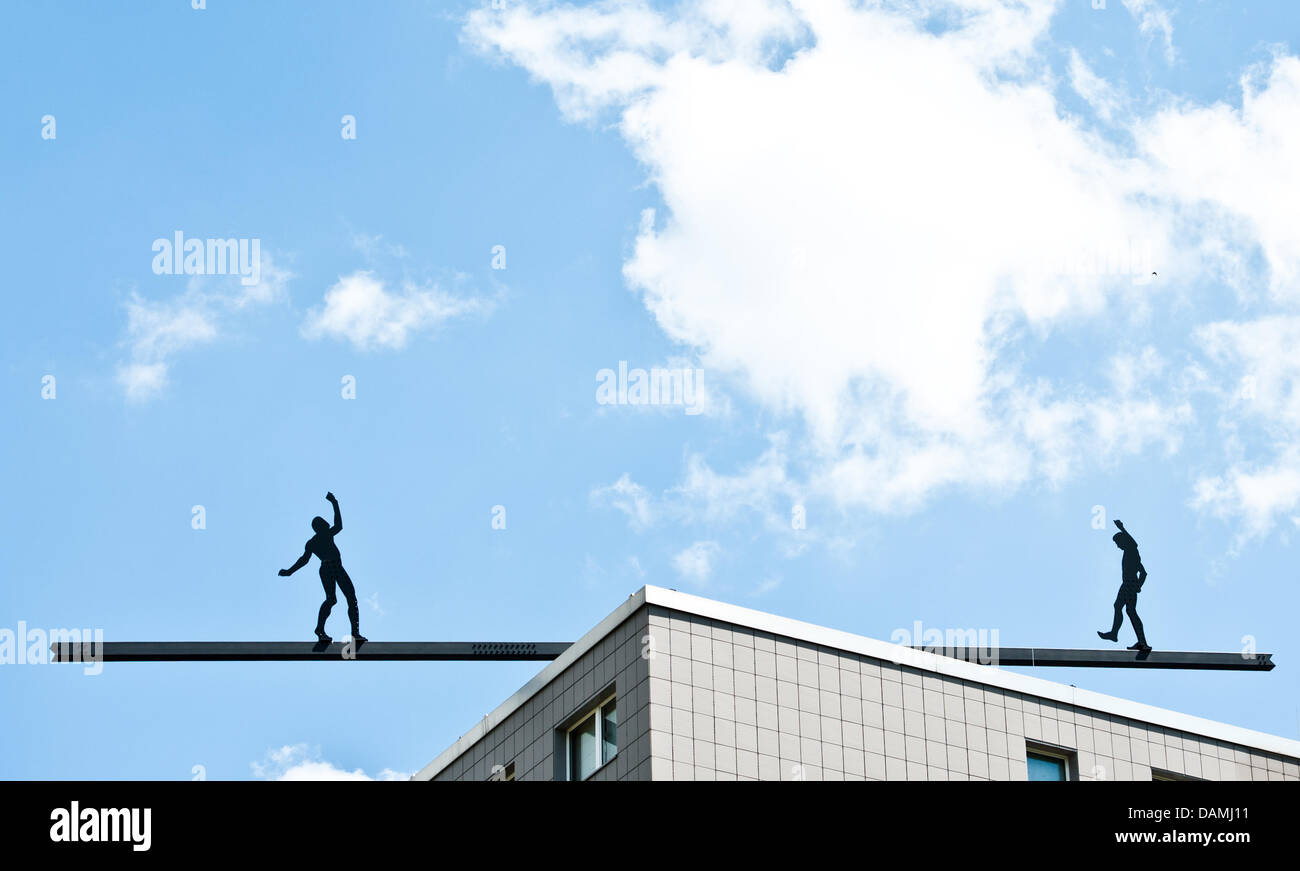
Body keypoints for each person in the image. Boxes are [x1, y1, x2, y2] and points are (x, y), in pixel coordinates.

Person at [279, 492, 367, 644]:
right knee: (347, 599)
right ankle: (344, 632)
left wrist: (289, 571)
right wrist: (334, 503)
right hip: (332, 568)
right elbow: (339, 525)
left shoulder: (313, 541)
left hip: (329, 568)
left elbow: (304, 560)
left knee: (335, 599)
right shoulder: (324, 535)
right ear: (320, 527)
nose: (327, 524)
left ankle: (345, 632)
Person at [1097, 519, 1149, 651]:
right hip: (1129, 584)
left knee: (1122, 608)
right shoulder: (1130, 554)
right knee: (1129, 611)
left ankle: (1116, 634)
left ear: (1123, 541)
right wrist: (1139, 585)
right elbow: (1143, 572)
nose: (1117, 546)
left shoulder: (1131, 551)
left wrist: (1122, 528)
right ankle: (1141, 642)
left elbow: (1134, 544)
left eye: (1118, 543)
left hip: (1128, 584)